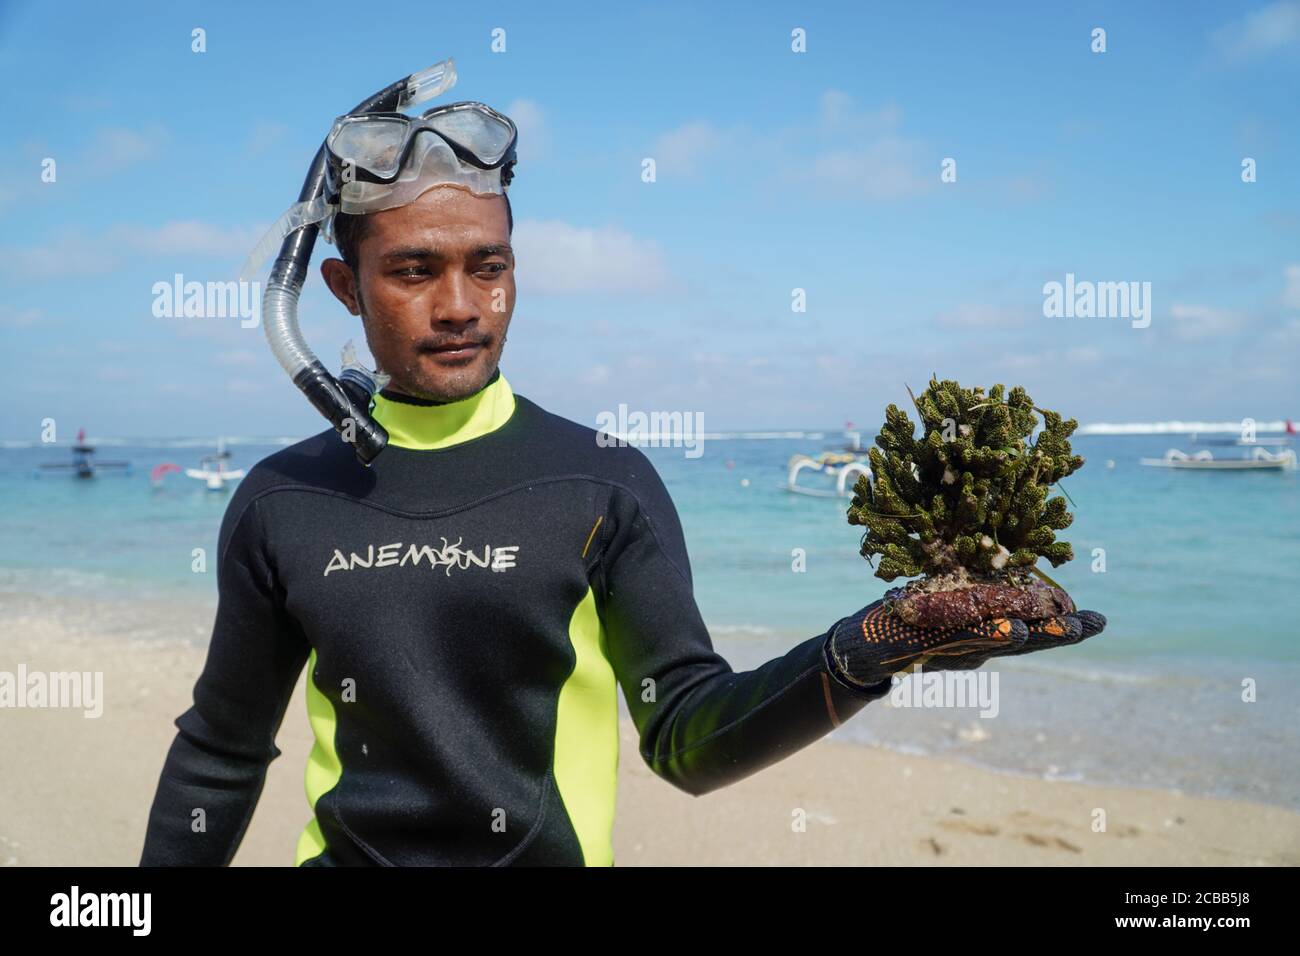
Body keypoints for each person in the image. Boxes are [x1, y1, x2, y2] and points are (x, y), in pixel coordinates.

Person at [139, 92, 1105, 867]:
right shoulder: (283, 501)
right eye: (413, 271)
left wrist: (866, 651)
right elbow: (221, 755)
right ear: (347, 286)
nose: (460, 306)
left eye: (489, 265)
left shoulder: (600, 482)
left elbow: (686, 738)